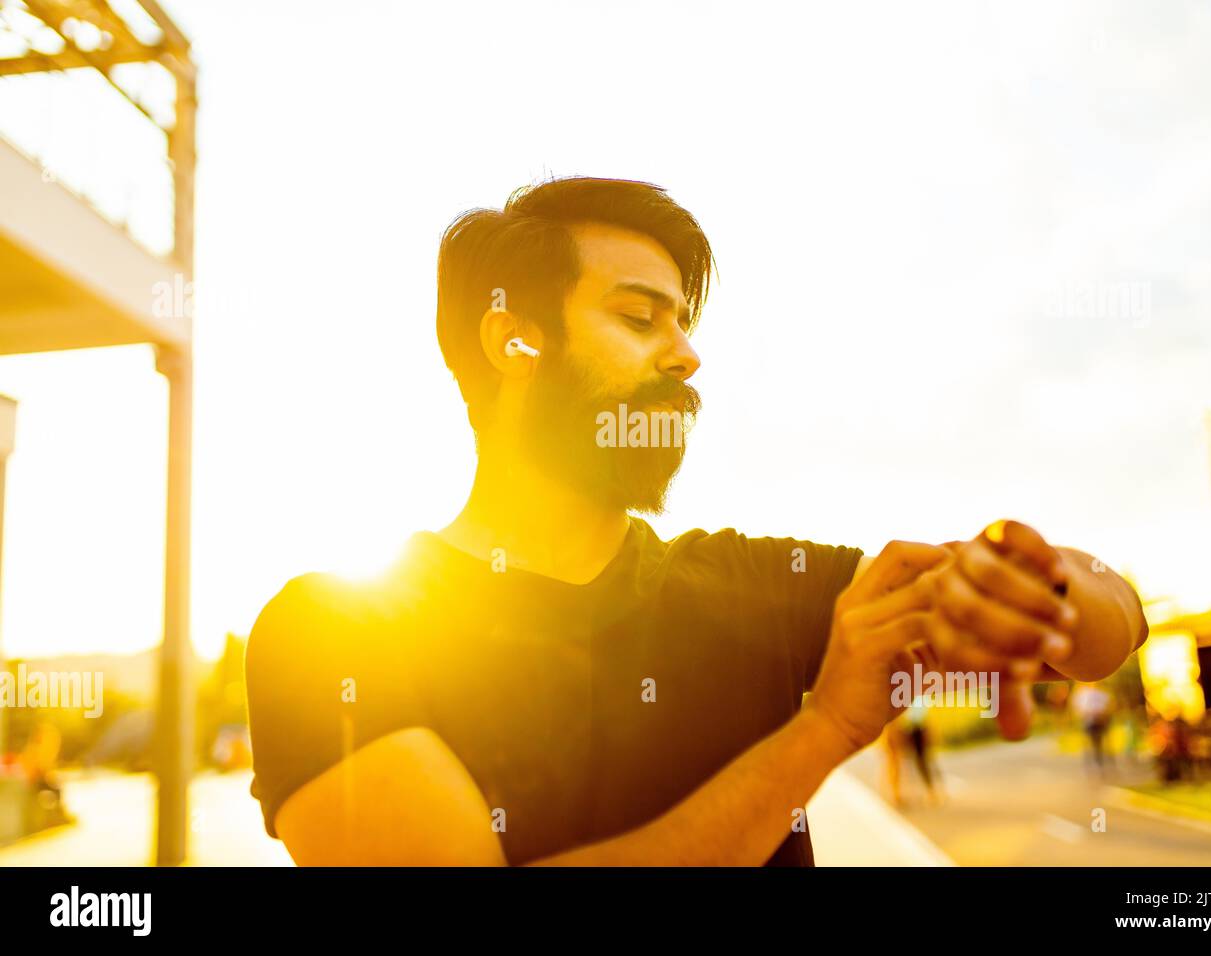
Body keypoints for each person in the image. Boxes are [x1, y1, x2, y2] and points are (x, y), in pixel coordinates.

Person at [244, 177, 1150, 866]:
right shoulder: (329, 633)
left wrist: (1047, 592)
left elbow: (1111, 623)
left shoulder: (760, 584)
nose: (686, 355)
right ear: (513, 342)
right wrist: (822, 730)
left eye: (682, 322)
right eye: (640, 317)